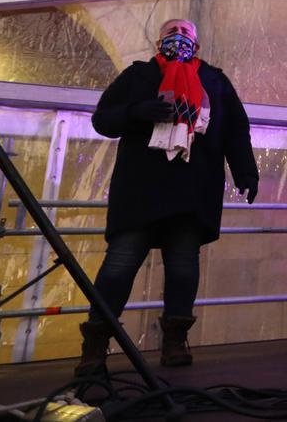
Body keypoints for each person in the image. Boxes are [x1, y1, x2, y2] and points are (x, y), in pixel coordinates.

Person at [76, 19, 258, 375]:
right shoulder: (137, 77)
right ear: (159, 41)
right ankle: (95, 344)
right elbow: (103, 119)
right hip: (141, 188)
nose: (179, 39)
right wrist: (136, 112)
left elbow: (236, 128)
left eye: (186, 34)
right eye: (172, 34)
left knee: (183, 265)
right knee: (120, 265)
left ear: (198, 44)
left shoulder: (214, 81)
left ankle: (174, 339)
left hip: (191, 187)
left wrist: (246, 172)